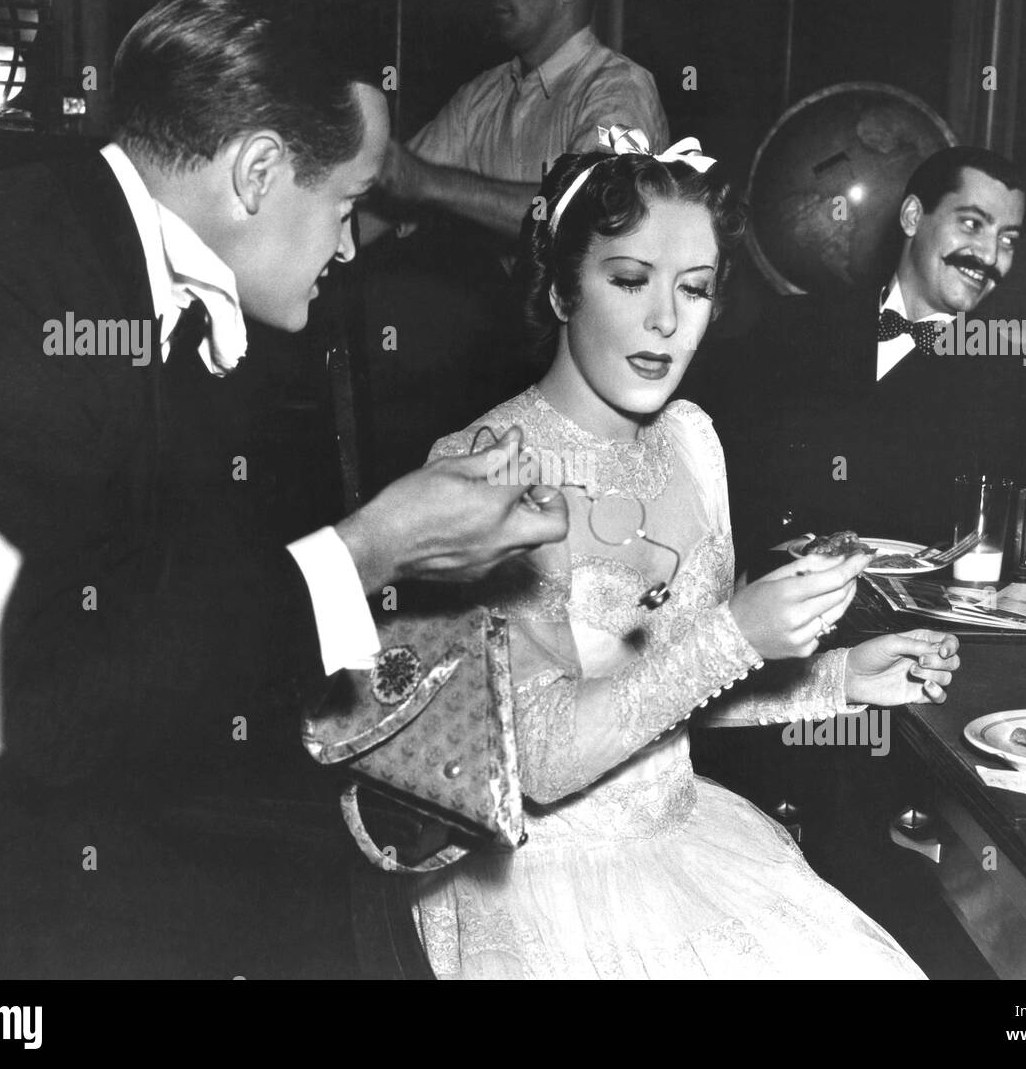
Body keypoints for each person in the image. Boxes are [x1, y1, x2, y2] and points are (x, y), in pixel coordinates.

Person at [0, 0, 566, 976]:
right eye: (346, 205)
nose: (349, 246)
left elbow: (178, 611)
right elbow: (51, 712)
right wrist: (371, 550)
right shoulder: (7, 298)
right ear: (256, 173)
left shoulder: (127, 264)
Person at [406, 133, 962, 979]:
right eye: (631, 280)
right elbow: (541, 760)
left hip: (683, 834)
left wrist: (838, 680)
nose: (666, 320)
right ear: (561, 289)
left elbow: (669, 699)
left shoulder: (694, 441)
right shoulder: (484, 470)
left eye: (694, 288)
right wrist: (739, 634)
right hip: (544, 883)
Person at [686, 147, 1026, 571]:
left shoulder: (1007, 375)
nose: (989, 256)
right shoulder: (794, 326)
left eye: (1008, 240)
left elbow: (994, 539)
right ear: (913, 216)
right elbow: (727, 472)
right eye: (972, 224)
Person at [367, 0, 668, 242]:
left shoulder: (619, 88)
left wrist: (431, 183)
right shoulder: (480, 99)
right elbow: (396, 183)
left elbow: (590, 210)